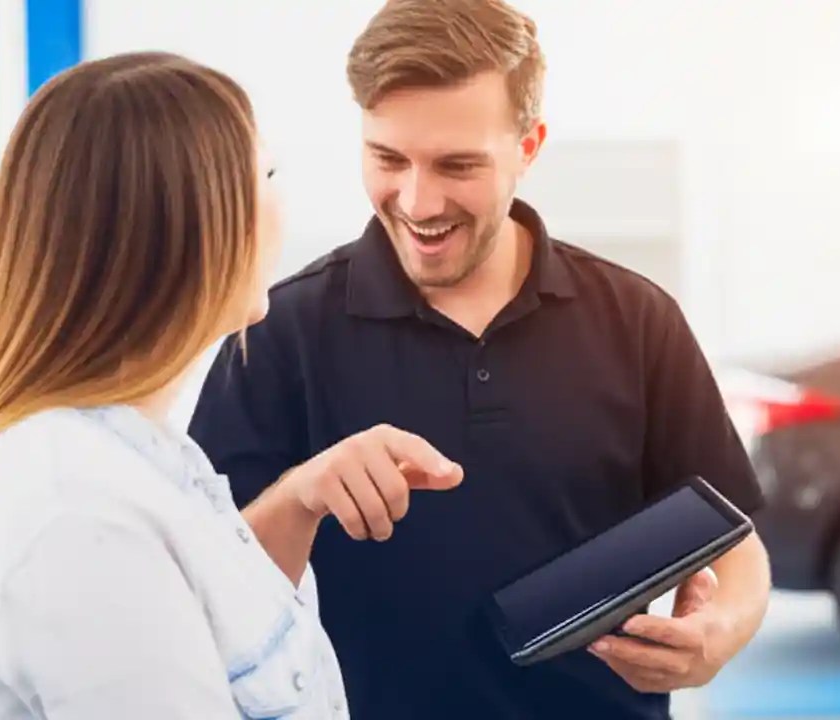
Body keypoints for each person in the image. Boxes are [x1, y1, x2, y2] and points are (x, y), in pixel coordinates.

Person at [188, 0, 771, 717]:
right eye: (388, 159)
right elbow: (207, 590)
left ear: (529, 147)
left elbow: (734, 539)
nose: (417, 200)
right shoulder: (279, 333)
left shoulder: (637, 319)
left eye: (457, 165)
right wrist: (301, 495)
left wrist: (718, 633)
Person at [0, 51, 462, 719]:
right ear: (191, 227)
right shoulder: (76, 517)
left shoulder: (121, 458)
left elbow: (212, 632)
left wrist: (301, 500)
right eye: (268, 172)